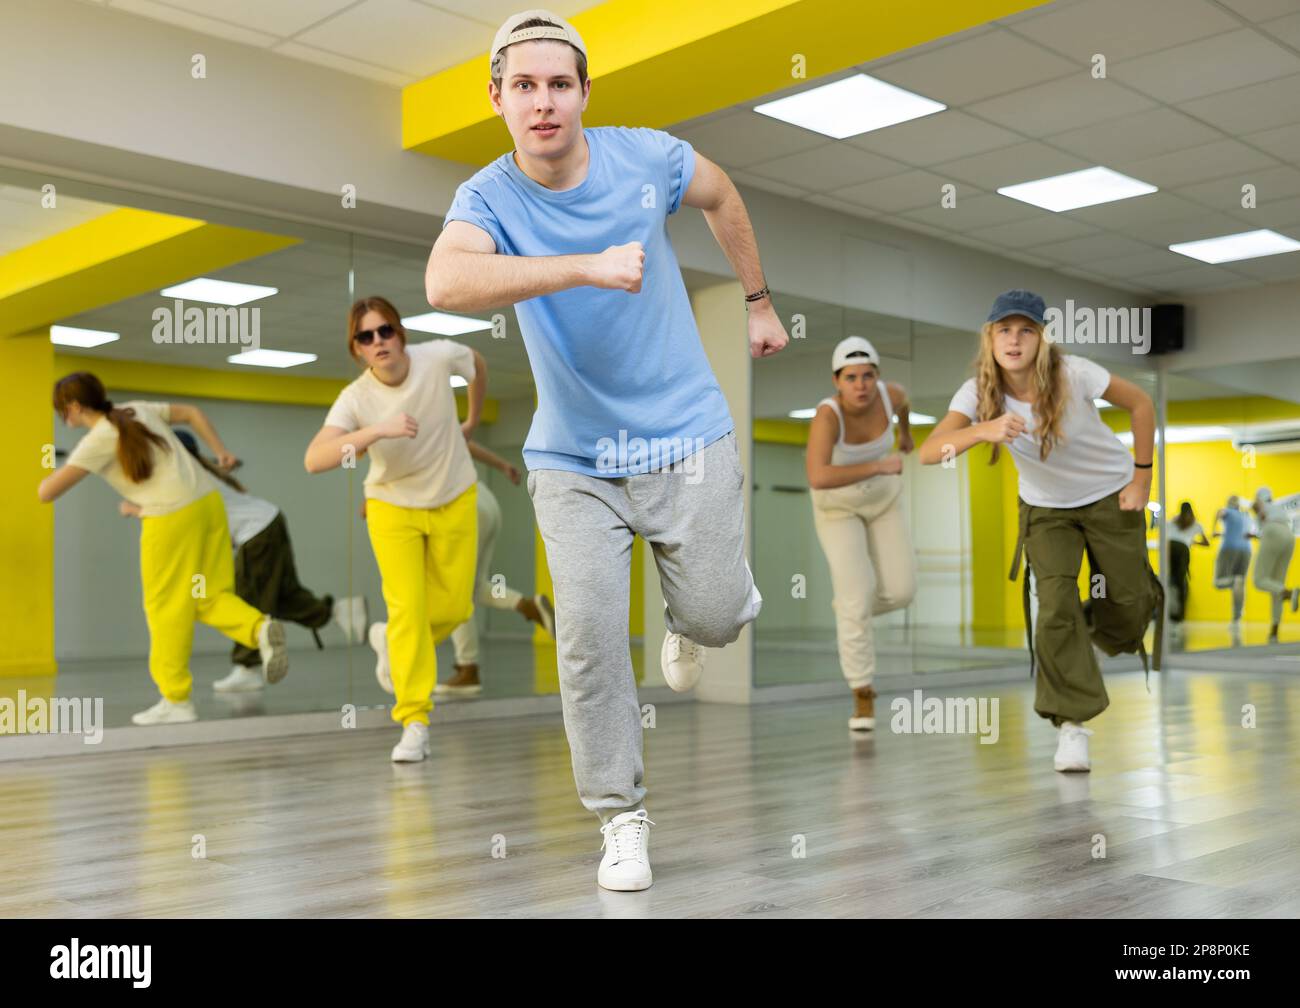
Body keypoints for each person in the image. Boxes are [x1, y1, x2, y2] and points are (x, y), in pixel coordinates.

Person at [425, 10, 786, 890]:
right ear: (498, 98)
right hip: (572, 458)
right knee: (584, 637)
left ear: (584, 92)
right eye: (524, 86)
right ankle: (621, 818)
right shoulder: (487, 196)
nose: (542, 103)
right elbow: (446, 281)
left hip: (686, 432)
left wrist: (758, 300)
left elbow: (722, 191)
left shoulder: (645, 156)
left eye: (559, 84)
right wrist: (584, 264)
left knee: (712, 615)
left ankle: (698, 613)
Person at [919, 290, 1162, 774]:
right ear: (989, 337)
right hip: (1046, 509)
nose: (1014, 339)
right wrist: (980, 432)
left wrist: (1141, 479)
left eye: (1025, 330)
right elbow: (931, 451)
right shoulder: (976, 392)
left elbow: (1140, 403)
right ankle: (1072, 726)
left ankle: (1079, 626)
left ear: (1042, 338)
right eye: (1004, 330)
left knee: (1132, 605)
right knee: (1053, 605)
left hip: (1111, 493)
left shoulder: (1075, 374)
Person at [39, 373, 288, 725]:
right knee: (208, 595)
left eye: (62, 411)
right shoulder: (137, 410)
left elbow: (46, 493)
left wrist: (49, 465)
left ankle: (176, 700)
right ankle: (259, 628)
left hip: (170, 518)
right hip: (209, 505)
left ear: (75, 407)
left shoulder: (96, 441)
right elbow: (190, 413)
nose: (64, 419)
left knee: (165, 608)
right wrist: (220, 451)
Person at [305, 297, 486, 763]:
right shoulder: (357, 398)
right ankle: (414, 721)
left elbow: (477, 364)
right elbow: (315, 459)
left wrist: (472, 419)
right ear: (358, 349)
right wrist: (374, 432)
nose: (378, 341)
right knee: (408, 609)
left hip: (454, 494)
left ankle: (390, 641)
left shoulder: (438, 357)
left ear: (400, 334)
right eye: (366, 337)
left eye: (384, 330)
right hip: (391, 505)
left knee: (454, 604)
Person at [120, 430, 369, 692]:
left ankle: (246, 668)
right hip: (267, 525)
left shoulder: (186, 480)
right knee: (281, 596)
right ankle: (339, 611)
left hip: (257, 534)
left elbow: (172, 517)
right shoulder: (198, 474)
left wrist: (135, 509)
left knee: (247, 599)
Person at [805, 336, 916, 732]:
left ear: (878, 377)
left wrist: (904, 434)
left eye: (868, 375)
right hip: (837, 508)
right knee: (855, 598)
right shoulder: (827, 415)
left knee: (902, 591)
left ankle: (850, 609)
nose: (861, 385)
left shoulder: (892, 395)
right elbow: (818, 476)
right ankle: (862, 693)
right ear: (837, 381)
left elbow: (903, 404)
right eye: (851, 377)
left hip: (883, 501)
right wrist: (878, 466)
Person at [438, 440, 556, 696]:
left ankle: (467, 668)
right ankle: (528, 606)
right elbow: (466, 442)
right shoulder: (437, 418)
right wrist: (503, 465)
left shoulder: (412, 426)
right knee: (474, 585)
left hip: (464, 505)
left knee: (457, 592)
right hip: (484, 499)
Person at [1250, 487, 1300, 642]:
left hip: (1272, 533)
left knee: (1259, 580)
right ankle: (1274, 631)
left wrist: (1256, 507)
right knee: (1277, 584)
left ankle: (1291, 593)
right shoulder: (1278, 507)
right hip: (1288, 536)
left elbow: (1258, 509)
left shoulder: (1261, 504)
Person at [1211, 494, 1253, 632]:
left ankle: (1233, 581)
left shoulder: (1228, 511)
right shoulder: (1246, 516)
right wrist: (1222, 534)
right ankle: (1237, 618)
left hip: (1229, 548)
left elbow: (1219, 512)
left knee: (1219, 582)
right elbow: (1241, 533)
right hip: (1246, 550)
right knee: (1240, 583)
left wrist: (1214, 529)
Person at [1165, 501, 1208, 629]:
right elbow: (1207, 543)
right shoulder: (1196, 524)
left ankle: (1167, 613)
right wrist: (1193, 542)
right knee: (1181, 582)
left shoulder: (1172, 521)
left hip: (1170, 547)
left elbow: (1165, 536)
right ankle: (1179, 616)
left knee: (1169, 580)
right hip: (1183, 549)